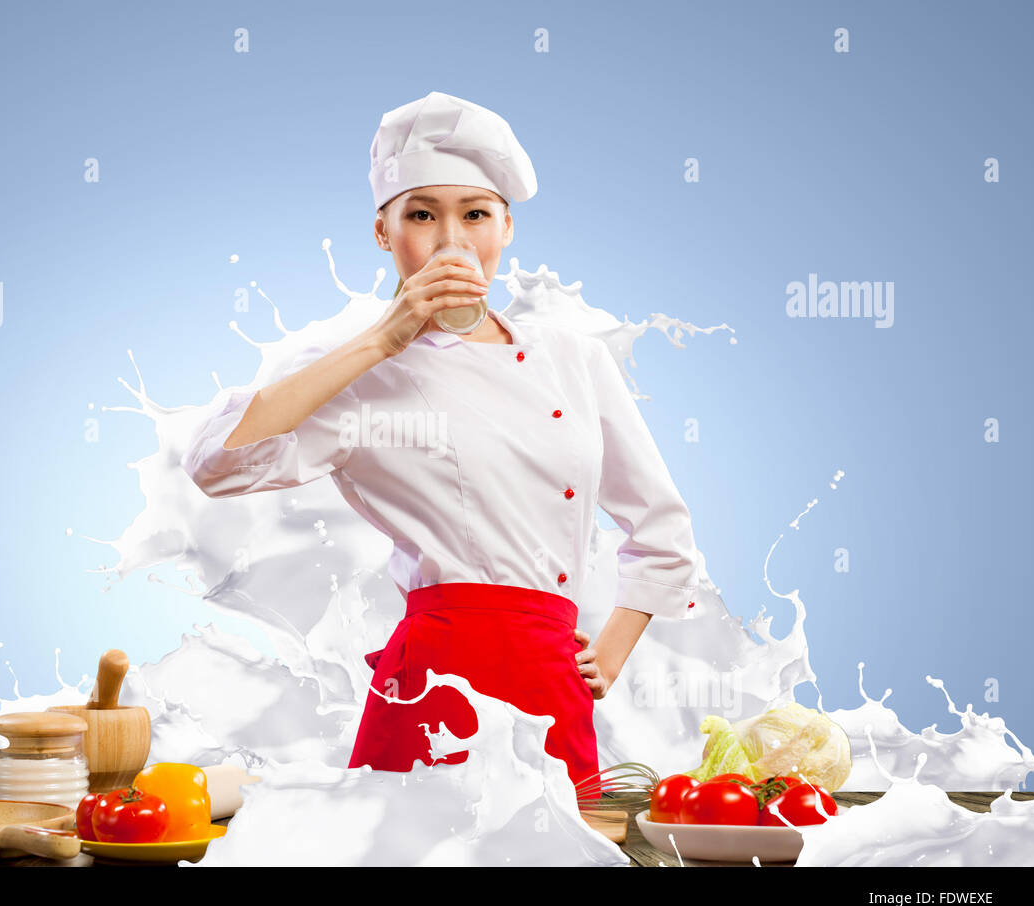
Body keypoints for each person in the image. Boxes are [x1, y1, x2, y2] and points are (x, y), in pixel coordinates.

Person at [181, 91, 700, 798]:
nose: (452, 240)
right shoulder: (350, 365)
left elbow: (662, 529)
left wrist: (606, 657)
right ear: (382, 232)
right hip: (432, 684)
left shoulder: (574, 360)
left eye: (475, 214)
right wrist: (381, 339)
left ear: (507, 226)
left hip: (551, 679)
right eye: (422, 214)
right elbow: (218, 464)